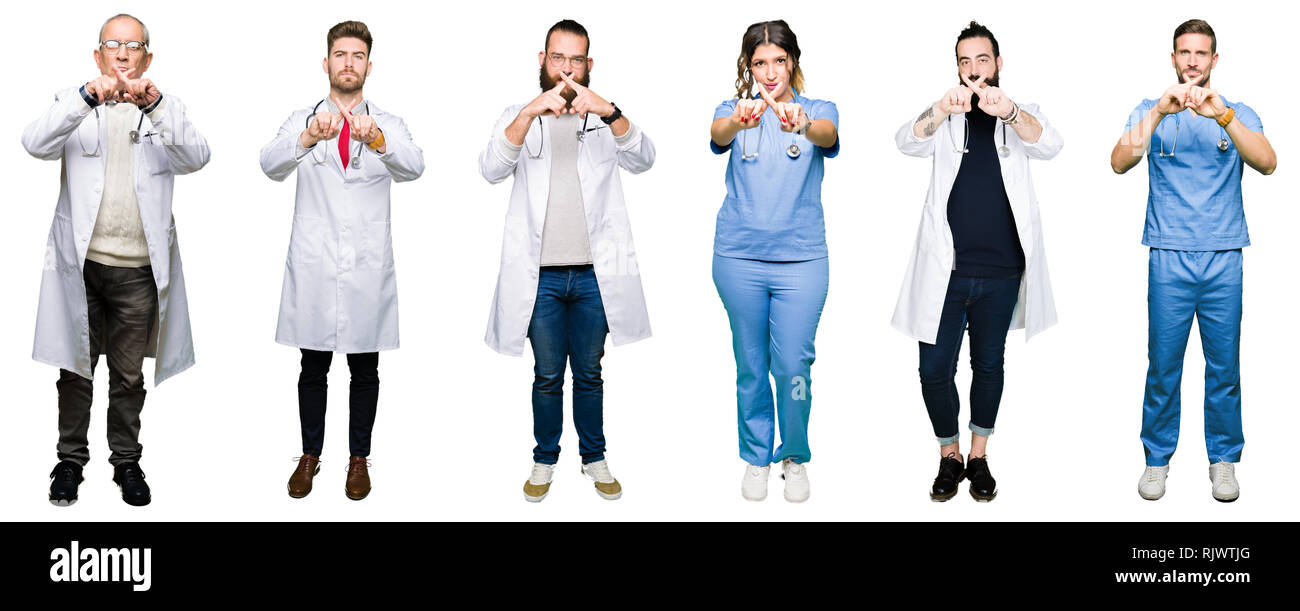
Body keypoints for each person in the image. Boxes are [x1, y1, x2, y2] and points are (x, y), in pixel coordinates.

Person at [23, 14, 209, 507]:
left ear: (148, 57)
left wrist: (156, 105)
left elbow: (197, 156)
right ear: (98, 55)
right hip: (80, 268)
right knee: (75, 371)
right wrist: (88, 96)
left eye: (133, 46)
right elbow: (35, 143)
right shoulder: (73, 103)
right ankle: (69, 461)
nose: (123, 54)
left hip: (138, 273)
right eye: (112, 44)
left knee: (128, 377)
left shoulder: (165, 109)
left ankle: (126, 461)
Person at [479, 19, 654, 503]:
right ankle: (545, 458)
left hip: (597, 275)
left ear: (589, 65)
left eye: (576, 60)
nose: (566, 68)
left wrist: (612, 110)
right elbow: (491, 167)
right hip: (540, 279)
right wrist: (531, 111)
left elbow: (644, 158)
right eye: (558, 58)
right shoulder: (520, 115)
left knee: (592, 373)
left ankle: (594, 457)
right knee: (548, 375)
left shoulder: (602, 120)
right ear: (542, 60)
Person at [893, 21, 1062, 503]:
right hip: (944, 271)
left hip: (1002, 269)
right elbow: (906, 140)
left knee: (989, 366)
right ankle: (949, 455)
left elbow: (1049, 143)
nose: (973, 71)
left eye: (981, 60)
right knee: (933, 371)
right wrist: (940, 107)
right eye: (964, 62)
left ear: (998, 63)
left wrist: (1008, 111)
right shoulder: (947, 115)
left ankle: (979, 456)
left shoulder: (1020, 114)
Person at [1110, 19, 1275, 503]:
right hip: (1169, 255)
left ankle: (1223, 461)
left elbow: (1267, 161)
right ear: (1173, 58)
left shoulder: (1237, 111)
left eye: (1201, 53)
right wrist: (1160, 111)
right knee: (1163, 365)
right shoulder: (1150, 111)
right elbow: (1120, 161)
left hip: (1223, 255)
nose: (1192, 61)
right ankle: (1156, 461)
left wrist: (1224, 118)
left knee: (1224, 367)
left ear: (1214, 60)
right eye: (1184, 52)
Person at [260, 20, 425, 501]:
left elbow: (415, 166)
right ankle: (309, 456)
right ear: (326, 63)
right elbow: (269, 165)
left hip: (366, 268)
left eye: (357, 56)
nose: (348, 63)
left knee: (365, 370)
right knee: (312, 368)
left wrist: (377, 142)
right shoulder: (302, 118)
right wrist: (309, 137)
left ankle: (358, 459)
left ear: (369, 66)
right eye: (340, 55)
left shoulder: (388, 124)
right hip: (315, 264)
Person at [709, 20, 838, 503]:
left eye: (778, 61)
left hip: (802, 261)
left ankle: (795, 455)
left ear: (793, 62)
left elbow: (825, 136)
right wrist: (738, 121)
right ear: (748, 65)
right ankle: (756, 456)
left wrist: (801, 124)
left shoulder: (817, 110)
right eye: (759, 62)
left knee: (794, 366)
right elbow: (718, 131)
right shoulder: (735, 110)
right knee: (750, 363)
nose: (769, 72)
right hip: (738, 258)